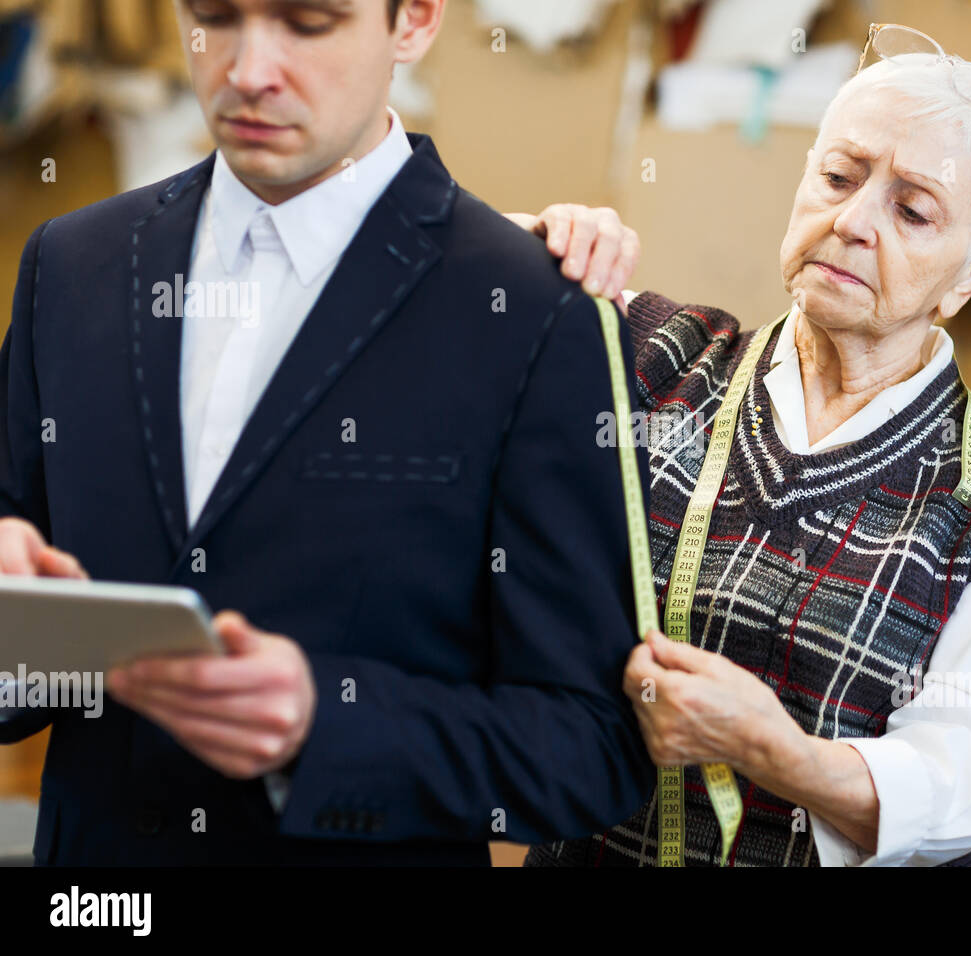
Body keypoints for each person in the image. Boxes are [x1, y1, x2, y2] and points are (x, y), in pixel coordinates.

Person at [0, 0, 656, 864]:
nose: (246, 70)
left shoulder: (533, 313)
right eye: (215, 15)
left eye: (307, 21)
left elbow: (593, 745)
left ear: (415, 21)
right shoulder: (69, 266)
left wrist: (327, 726)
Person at [516, 27, 971, 866]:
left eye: (912, 210)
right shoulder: (652, 359)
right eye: (837, 176)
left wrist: (780, 755)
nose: (853, 221)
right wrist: (534, 238)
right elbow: (427, 284)